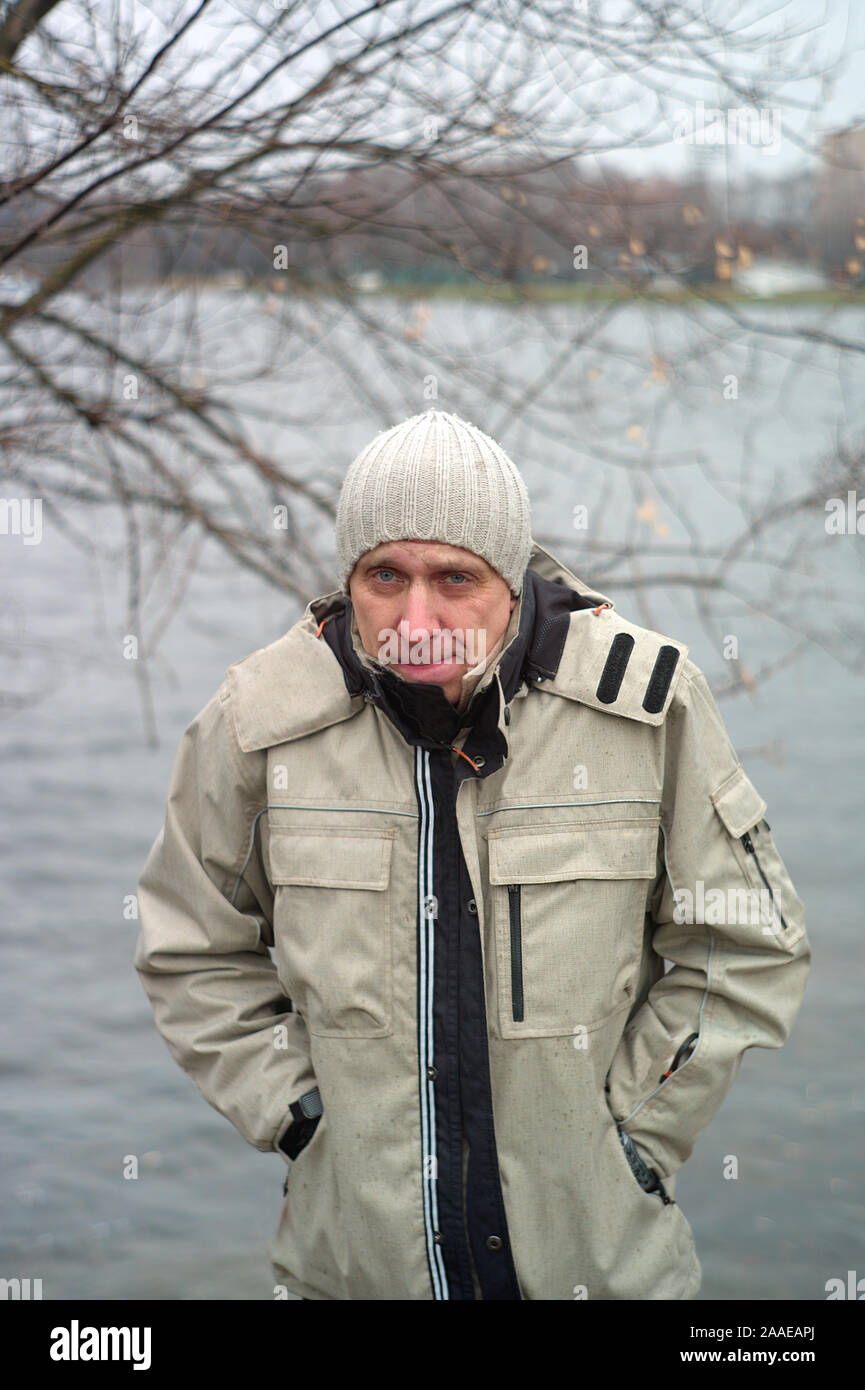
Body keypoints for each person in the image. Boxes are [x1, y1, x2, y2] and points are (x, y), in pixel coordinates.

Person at [134, 408, 811, 1301]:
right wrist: (300, 1120)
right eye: (386, 576)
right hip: (356, 1274)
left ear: (512, 579)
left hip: (602, 1272)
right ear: (349, 578)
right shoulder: (255, 724)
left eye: (454, 578)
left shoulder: (644, 707)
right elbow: (192, 950)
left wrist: (633, 1141)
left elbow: (741, 942)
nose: (417, 618)